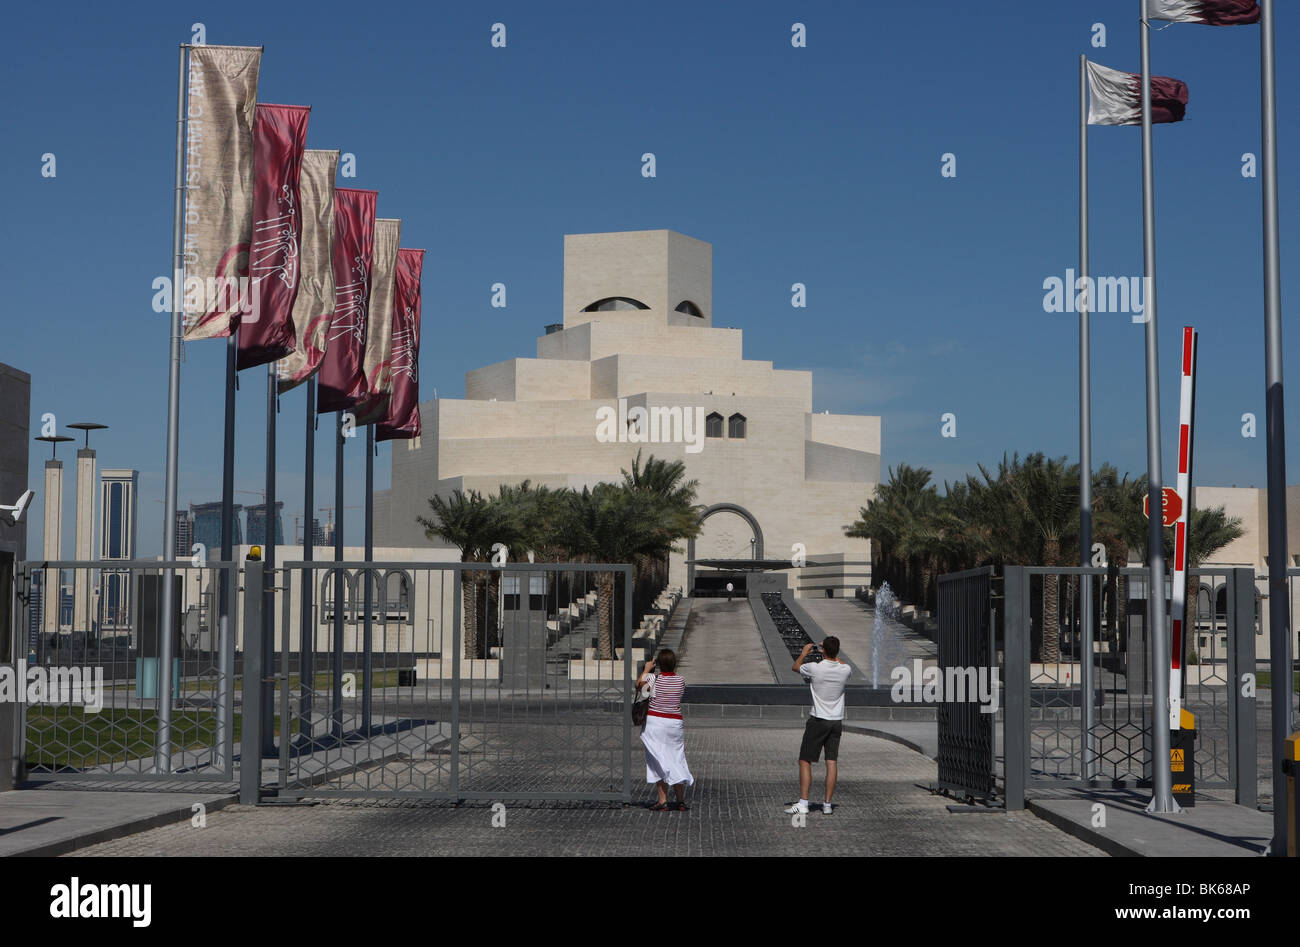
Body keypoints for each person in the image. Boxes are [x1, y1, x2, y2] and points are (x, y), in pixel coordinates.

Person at [785, 636, 851, 815]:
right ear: (837, 651)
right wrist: (831, 652)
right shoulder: (845, 670)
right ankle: (827, 805)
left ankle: (803, 803)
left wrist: (805, 653)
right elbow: (841, 662)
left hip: (818, 720)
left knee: (805, 760)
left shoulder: (815, 668)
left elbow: (795, 667)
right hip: (836, 721)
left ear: (823, 650)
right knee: (831, 762)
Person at [636, 648, 693, 811]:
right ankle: (680, 800)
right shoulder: (681, 680)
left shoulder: (654, 679)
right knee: (676, 758)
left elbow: (639, 686)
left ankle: (663, 800)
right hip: (674, 724)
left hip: (656, 723)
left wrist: (647, 669)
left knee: (657, 759)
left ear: (659, 664)